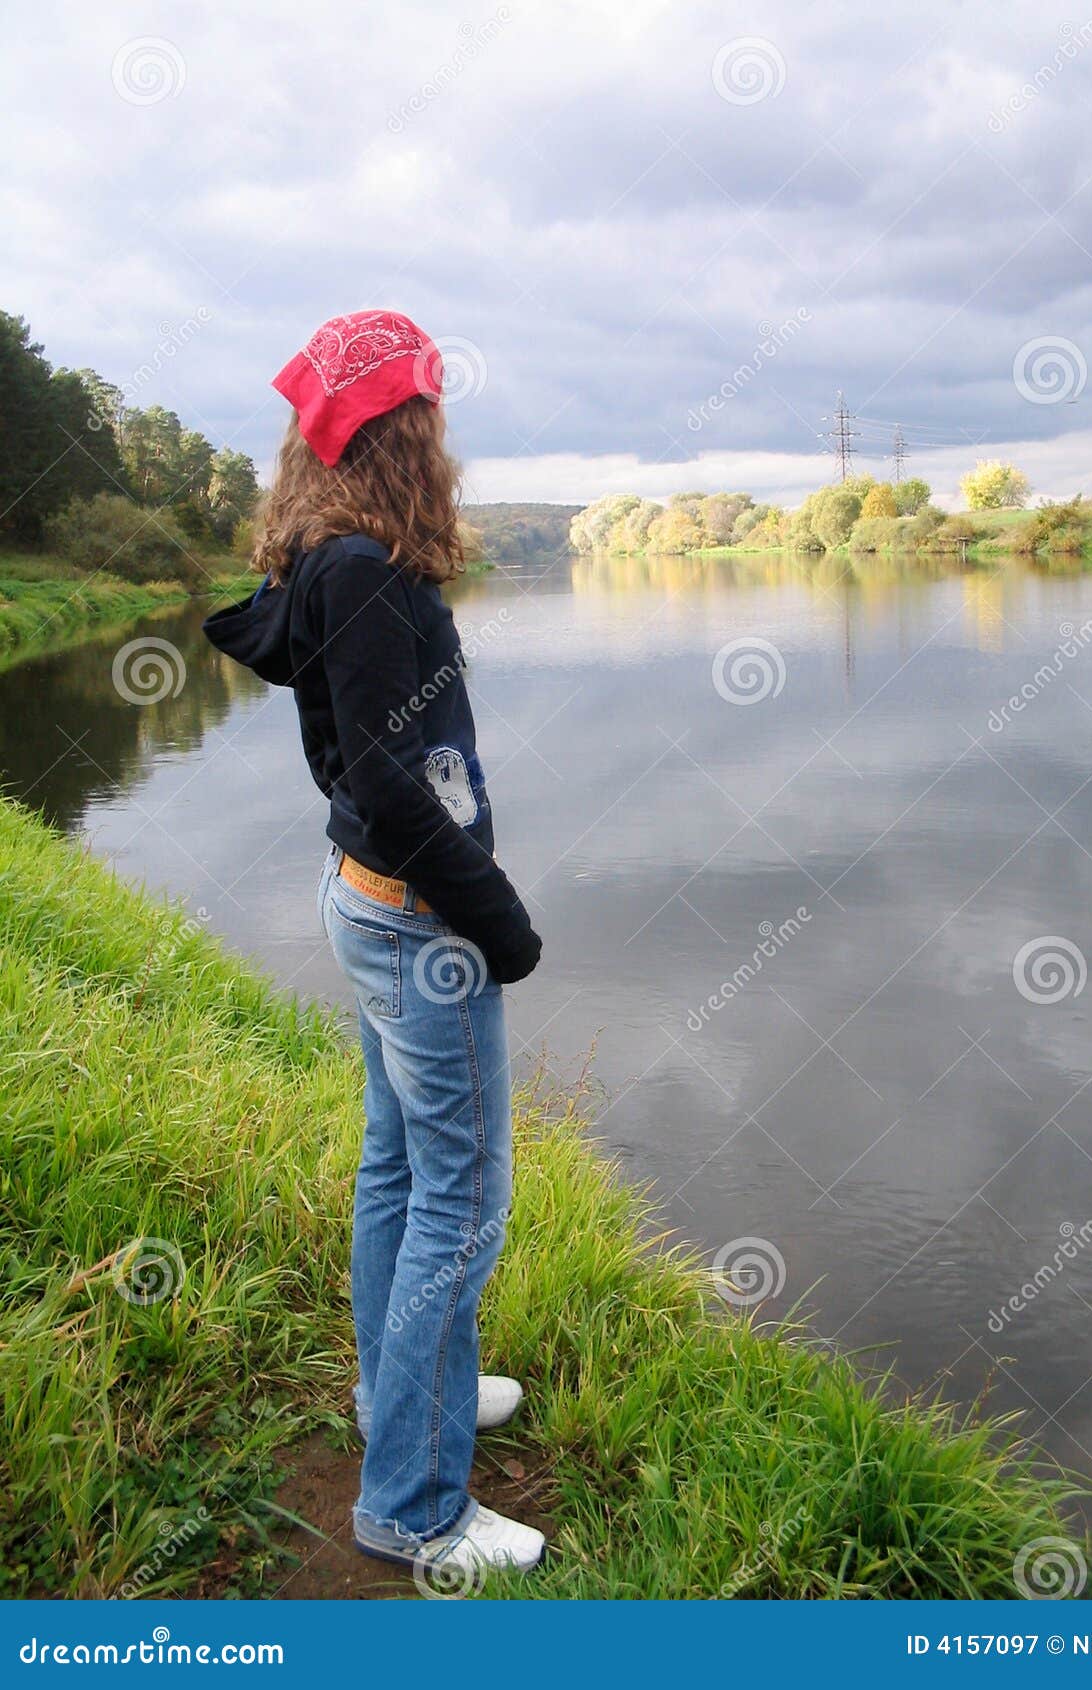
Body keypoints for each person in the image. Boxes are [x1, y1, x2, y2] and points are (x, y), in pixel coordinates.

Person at [203, 310, 544, 1579]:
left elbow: (364, 767)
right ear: (401, 429)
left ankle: (405, 1399)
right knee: (461, 1203)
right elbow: (398, 789)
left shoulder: (334, 563)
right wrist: (498, 919)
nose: (443, 435)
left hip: (375, 902)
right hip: (418, 918)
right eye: (432, 414)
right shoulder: (361, 575)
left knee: (399, 1171)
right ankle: (414, 1505)